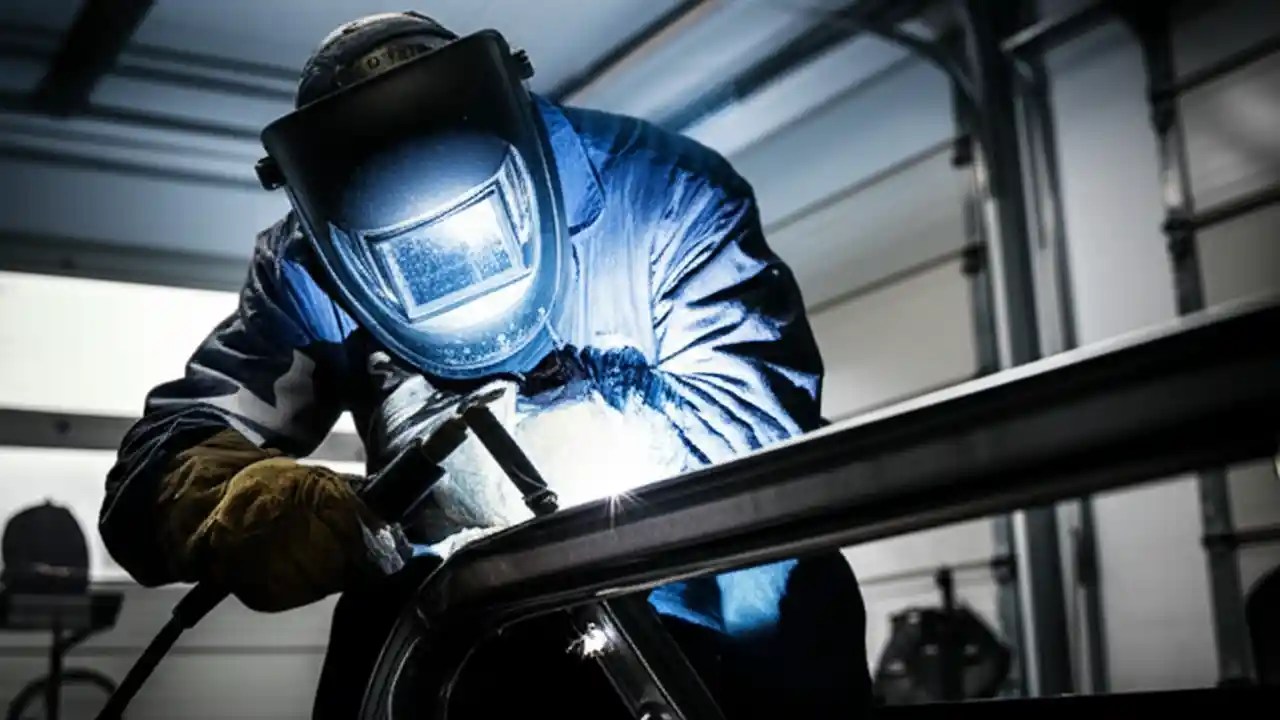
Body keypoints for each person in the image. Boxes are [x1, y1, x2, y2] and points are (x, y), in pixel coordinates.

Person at [100, 11, 870, 718]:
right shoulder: (312, 262)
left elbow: (749, 443)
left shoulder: (665, 191)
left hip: (731, 647)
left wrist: (458, 474)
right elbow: (156, 466)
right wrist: (225, 500)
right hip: (471, 654)